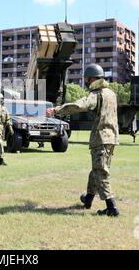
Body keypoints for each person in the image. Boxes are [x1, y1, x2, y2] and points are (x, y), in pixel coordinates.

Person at [47, 64, 120, 217]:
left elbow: (80, 105)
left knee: (100, 172)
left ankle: (112, 208)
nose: (87, 82)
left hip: (101, 137)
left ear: (93, 79)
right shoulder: (111, 93)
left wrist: (57, 110)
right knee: (95, 171)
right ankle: (88, 199)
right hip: (111, 138)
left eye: (87, 80)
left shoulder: (96, 94)